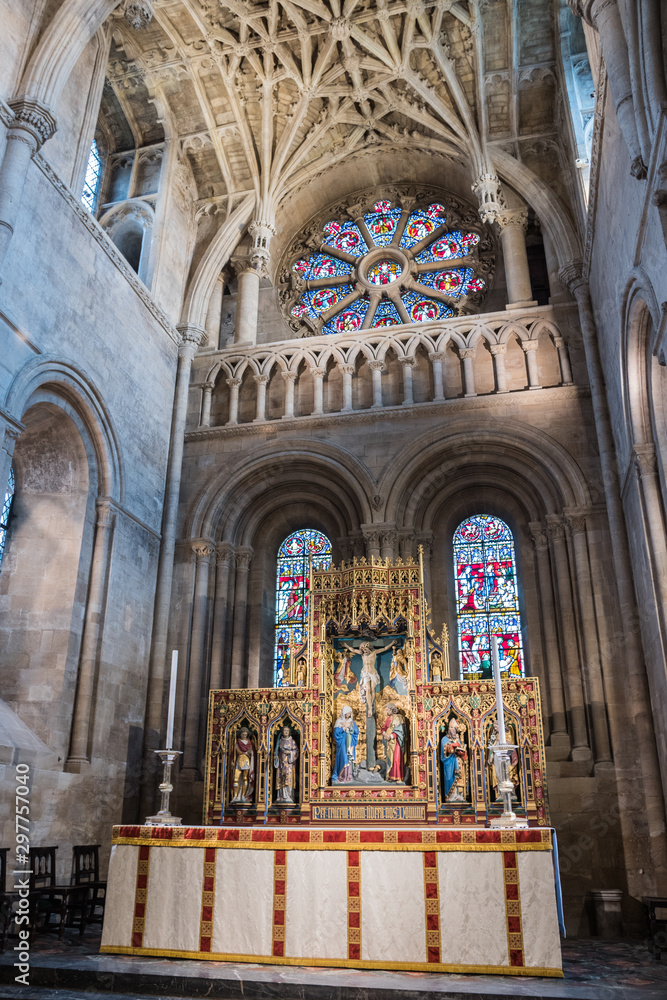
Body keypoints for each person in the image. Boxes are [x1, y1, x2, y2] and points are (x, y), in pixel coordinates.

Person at [341, 639, 394, 717]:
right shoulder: (362, 654)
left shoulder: (374, 653)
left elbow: (385, 648)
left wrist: (392, 642)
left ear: (368, 648)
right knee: (368, 689)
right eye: (362, 649)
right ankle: (370, 707)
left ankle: (371, 705)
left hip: (373, 673)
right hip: (365, 673)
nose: (364, 651)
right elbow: (352, 649)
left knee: (372, 689)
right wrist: (346, 645)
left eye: (365, 649)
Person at [440, 717, 467, 802]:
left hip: (457, 761)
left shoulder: (458, 739)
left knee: (459, 778)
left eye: (452, 728)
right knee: (449, 778)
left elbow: (462, 749)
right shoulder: (444, 739)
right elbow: (445, 750)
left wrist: (462, 751)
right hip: (449, 762)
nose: (451, 729)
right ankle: (450, 796)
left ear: (456, 729)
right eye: (450, 728)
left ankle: (459, 796)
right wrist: (452, 746)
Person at [381, 704, 406, 781]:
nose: (387, 711)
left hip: (396, 742)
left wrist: (391, 736)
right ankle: (391, 776)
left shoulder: (399, 718)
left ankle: (398, 777)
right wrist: (384, 734)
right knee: (389, 758)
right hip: (389, 742)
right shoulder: (388, 719)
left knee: (396, 759)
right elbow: (383, 728)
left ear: (392, 710)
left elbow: (400, 731)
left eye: (388, 710)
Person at [332, 706, 358, 782]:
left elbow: (356, 731)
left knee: (349, 759)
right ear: (344, 713)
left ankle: (349, 777)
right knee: (343, 757)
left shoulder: (352, 721)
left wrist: (350, 727)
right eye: (347, 713)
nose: (349, 715)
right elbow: (336, 733)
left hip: (350, 743)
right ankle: (342, 776)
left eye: (350, 713)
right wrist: (342, 729)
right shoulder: (339, 721)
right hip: (343, 743)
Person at [230, 726, 255, 804]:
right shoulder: (236, 742)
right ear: (240, 734)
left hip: (246, 762)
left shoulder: (250, 743)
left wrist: (250, 753)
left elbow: (252, 752)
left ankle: (243, 795)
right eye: (242, 734)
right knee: (236, 778)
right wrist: (232, 761)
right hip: (238, 761)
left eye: (245, 734)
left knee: (245, 778)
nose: (244, 735)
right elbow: (232, 753)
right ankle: (235, 796)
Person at [274, 725, 299, 803]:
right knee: (281, 779)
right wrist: (276, 757)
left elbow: (296, 752)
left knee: (288, 779)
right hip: (281, 764)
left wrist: (290, 752)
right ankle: (281, 796)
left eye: (287, 730)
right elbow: (276, 752)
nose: (286, 732)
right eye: (284, 730)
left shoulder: (292, 741)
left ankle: (288, 796)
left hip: (289, 765)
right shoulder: (280, 741)